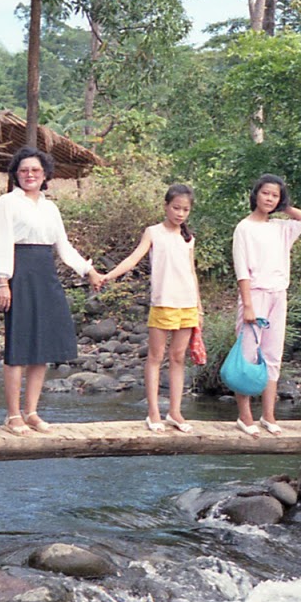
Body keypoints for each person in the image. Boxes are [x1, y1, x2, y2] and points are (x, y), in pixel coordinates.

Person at [0, 147, 103, 435]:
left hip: (45, 273)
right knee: (18, 345)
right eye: (24, 170)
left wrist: (88, 271)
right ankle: (13, 415)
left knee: (41, 347)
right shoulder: (7, 203)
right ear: (16, 173)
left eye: (35, 171)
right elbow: (1, 242)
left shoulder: (50, 207)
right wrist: (3, 281)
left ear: (45, 175)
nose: (30, 175)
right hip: (19, 273)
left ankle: (32, 412)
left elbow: (63, 247)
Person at [98, 184, 202, 433]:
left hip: (187, 303)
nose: (180, 213)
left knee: (178, 357)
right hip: (163, 302)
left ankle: (175, 411)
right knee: (155, 357)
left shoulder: (188, 238)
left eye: (185, 210)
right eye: (176, 208)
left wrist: (199, 307)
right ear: (166, 206)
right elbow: (134, 258)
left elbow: (192, 272)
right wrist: (108, 276)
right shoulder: (153, 232)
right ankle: (153, 412)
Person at [231, 174, 301, 435]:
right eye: (265, 193)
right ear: (255, 194)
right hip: (254, 294)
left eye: (275, 195)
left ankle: (268, 415)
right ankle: (245, 416)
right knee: (247, 354)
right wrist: (247, 305)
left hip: (279, 294)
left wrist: (284, 206)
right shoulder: (244, 227)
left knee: (272, 355)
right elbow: (242, 269)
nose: (269, 198)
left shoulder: (281, 227)